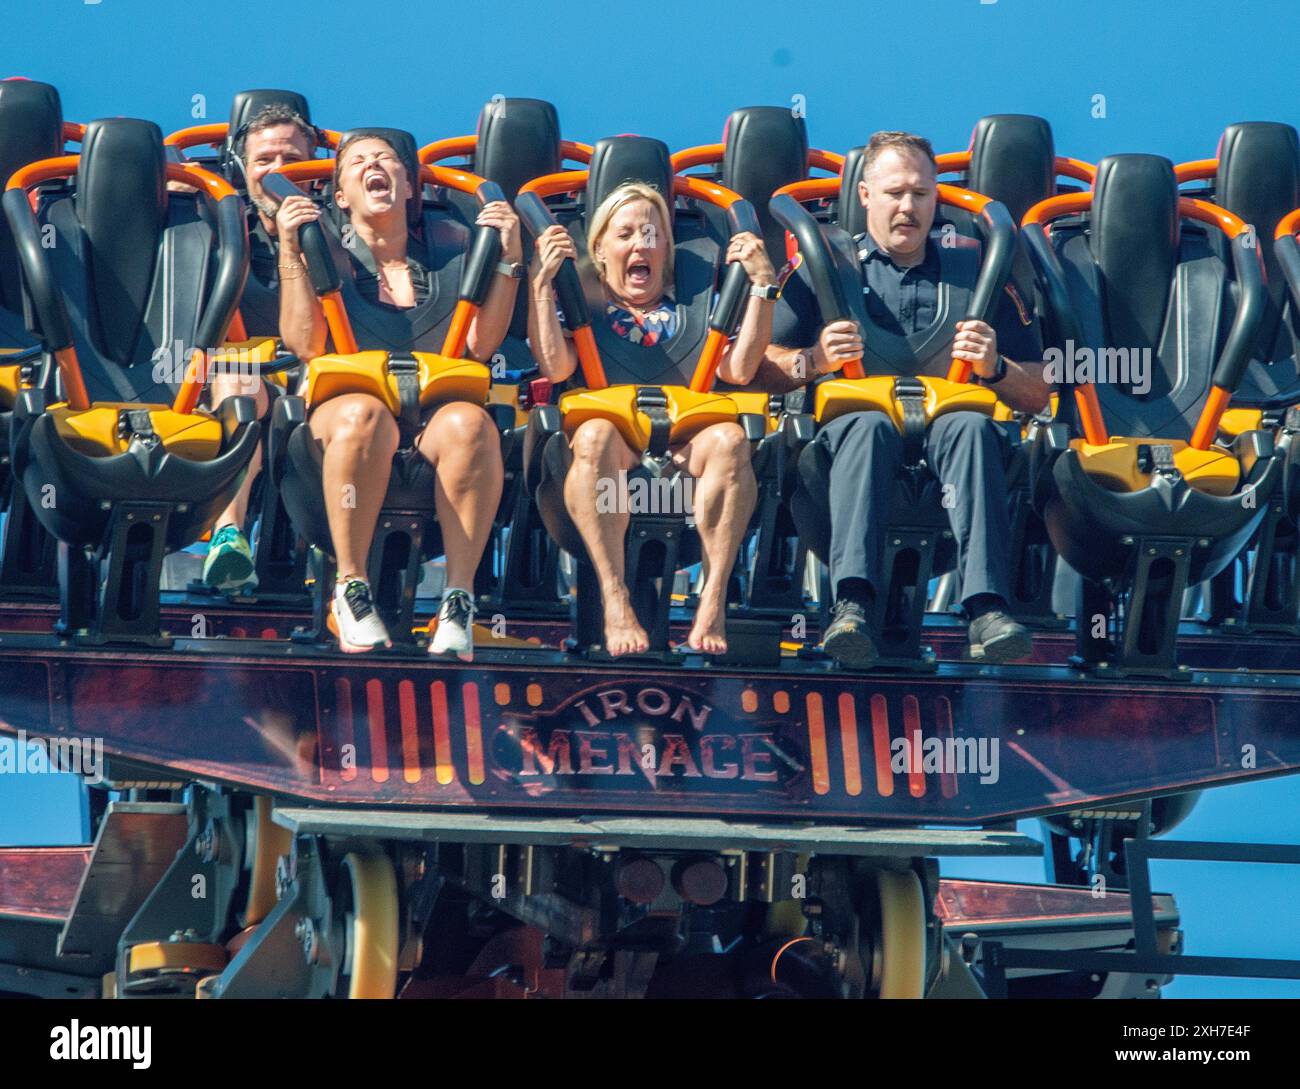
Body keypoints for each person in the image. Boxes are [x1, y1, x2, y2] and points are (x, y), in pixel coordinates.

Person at [765, 131, 1049, 666]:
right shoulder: (826, 267)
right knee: (868, 426)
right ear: (865, 195)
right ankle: (851, 604)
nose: (908, 207)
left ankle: (987, 608)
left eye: (920, 193)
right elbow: (757, 369)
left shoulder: (978, 271)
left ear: (936, 198)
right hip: (835, 474)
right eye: (894, 192)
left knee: (970, 426)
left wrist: (997, 368)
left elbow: (1040, 392)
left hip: (947, 473)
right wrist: (813, 360)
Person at [276, 132, 522, 657]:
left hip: (432, 418)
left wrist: (509, 258)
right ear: (339, 194)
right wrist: (290, 249)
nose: (374, 166)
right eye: (359, 162)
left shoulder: (450, 257)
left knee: (472, 424)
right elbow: (304, 343)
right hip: (343, 423)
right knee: (366, 415)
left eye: (387, 160)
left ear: (409, 186)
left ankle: (458, 598)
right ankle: (350, 587)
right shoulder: (328, 254)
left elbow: (478, 345)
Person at [527, 181, 778, 656]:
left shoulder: (700, 306)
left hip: (684, 451)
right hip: (608, 452)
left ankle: (714, 598)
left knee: (729, 437)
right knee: (597, 433)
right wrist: (542, 282)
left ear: (667, 248)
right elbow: (555, 367)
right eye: (624, 235)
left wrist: (763, 287)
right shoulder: (583, 304)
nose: (639, 244)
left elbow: (741, 369)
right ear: (599, 250)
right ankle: (614, 596)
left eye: (651, 234)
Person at [202, 104, 317, 593]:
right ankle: (227, 534)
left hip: (318, 365)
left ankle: (349, 547)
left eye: (291, 160)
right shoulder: (220, 231)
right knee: (237, 375)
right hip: (246, 363)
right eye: (264, 160)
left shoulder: (341, 232)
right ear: (242, 171)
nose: (277, 172)